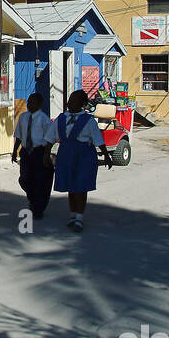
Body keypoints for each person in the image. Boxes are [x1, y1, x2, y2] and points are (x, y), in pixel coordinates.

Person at [51, 89, 106, 233]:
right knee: (70, 185)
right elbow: (50, 137)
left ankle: (79, 218)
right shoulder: (62, 118)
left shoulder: (88, 120)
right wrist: (46, 154)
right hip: (65, 153)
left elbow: (98, 140)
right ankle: (72, 215)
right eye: (69, 99)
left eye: (74, 100)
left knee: (80, 186)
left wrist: (106, 156)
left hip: (83, 155)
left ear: (82, 103)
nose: (70, 102)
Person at [12, 92, 55, 220]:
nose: (29, 104)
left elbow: (49, 139)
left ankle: (38, 208)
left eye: (33, 102)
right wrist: (15, 151)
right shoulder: (23, 117)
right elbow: (19, 135)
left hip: (39, 151)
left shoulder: (44, 119)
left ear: (39, 104)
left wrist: (46, 155)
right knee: (24, 179)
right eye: (28, 102)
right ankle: (33, 199)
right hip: (26, 151)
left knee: (40, 181)